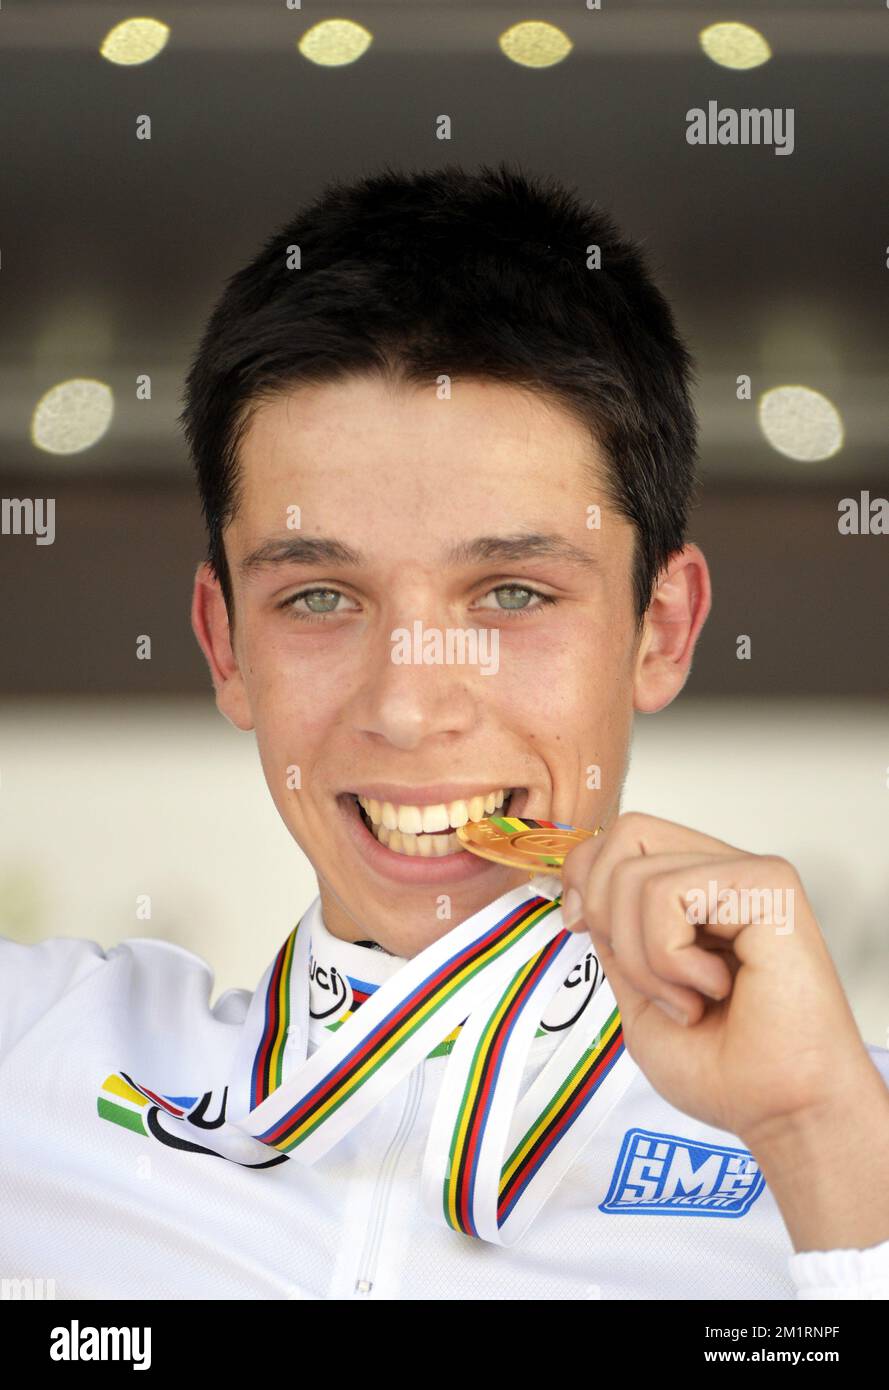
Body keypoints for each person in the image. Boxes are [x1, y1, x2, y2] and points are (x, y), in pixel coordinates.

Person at [1, 162, 887, 1301]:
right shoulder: (38, 1063)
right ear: (226, 647)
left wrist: (817, 1132)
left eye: (513, 593)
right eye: (319, 597)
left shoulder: (840, 1131)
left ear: (659, 629)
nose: (409, 706)